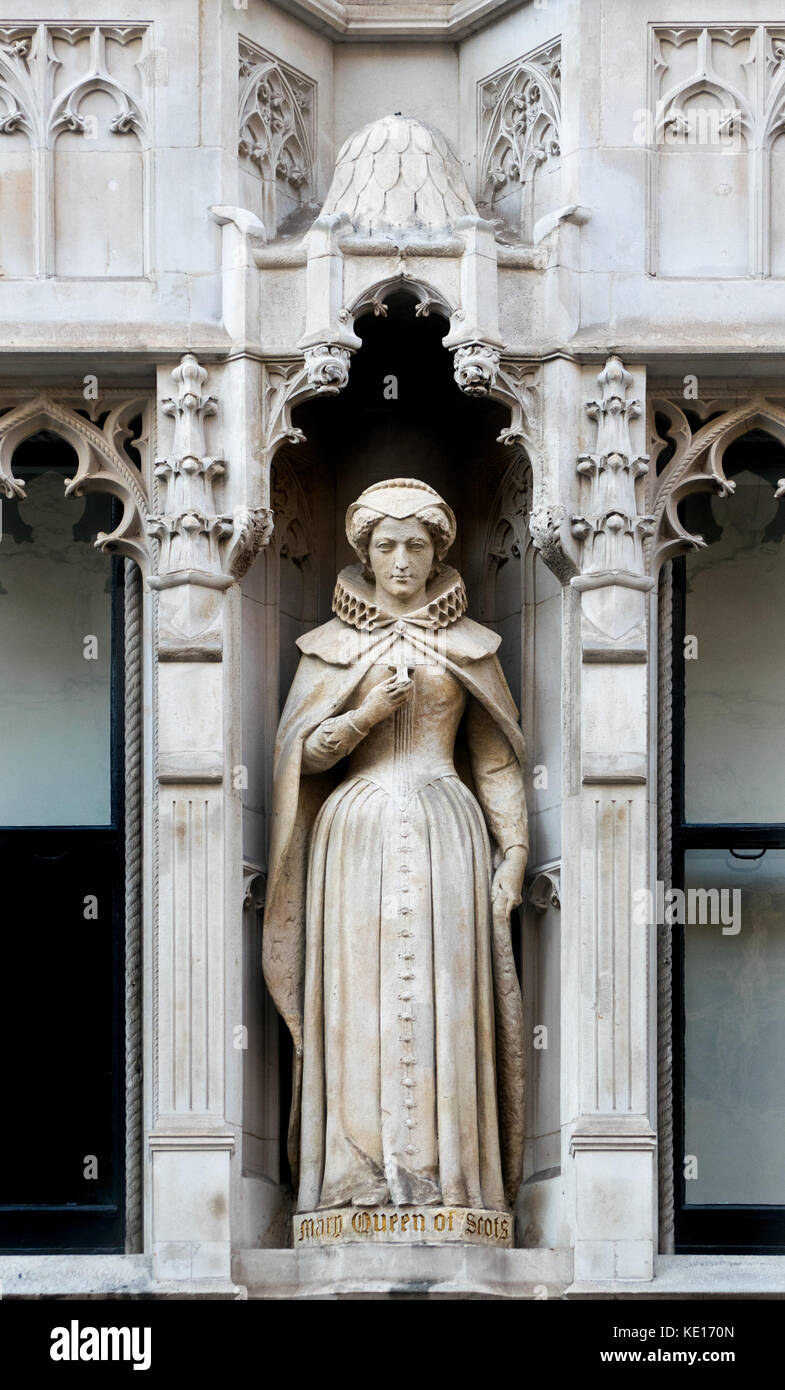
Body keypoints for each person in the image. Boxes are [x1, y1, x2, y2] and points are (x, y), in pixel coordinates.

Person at [263, 478, 528, 1215]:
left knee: (444, 993)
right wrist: (365, 715)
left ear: (438, 550)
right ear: (365, 553)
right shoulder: (330, 647)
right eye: (387, 546)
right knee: (357, 1000)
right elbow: (302, 758)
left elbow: (497, 758)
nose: (402, 560)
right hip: (354, 833)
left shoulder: (471, 646)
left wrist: (512, 852)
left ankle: (447, 1181)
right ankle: (354, 1180)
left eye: (416, 545)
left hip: (448, 825)